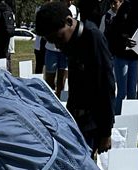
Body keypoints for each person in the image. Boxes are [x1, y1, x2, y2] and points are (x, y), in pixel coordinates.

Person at [35, 1, 115, 154]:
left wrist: (106, 132)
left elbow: (107, 86)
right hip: (75, 119)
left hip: (92, 123)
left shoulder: (93, 38)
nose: (57, 46)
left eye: (58, 38)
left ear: (69, 21)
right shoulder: (71, 42)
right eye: (52, 42)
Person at [104, 0, 138, 113]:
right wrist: (124, 40)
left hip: (134, 55)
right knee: (122, 91)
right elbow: (115, 30)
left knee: (132, 91)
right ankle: (116, 118)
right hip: (122, 54)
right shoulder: (127, 6)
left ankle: (130, 119)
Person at [43, 0, 80, 97]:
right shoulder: (53, 7)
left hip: (66, 51)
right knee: (49, 79)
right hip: (52, 49)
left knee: (62, 81)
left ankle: (59, 103)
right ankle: (48, 100)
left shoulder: (75, 9)